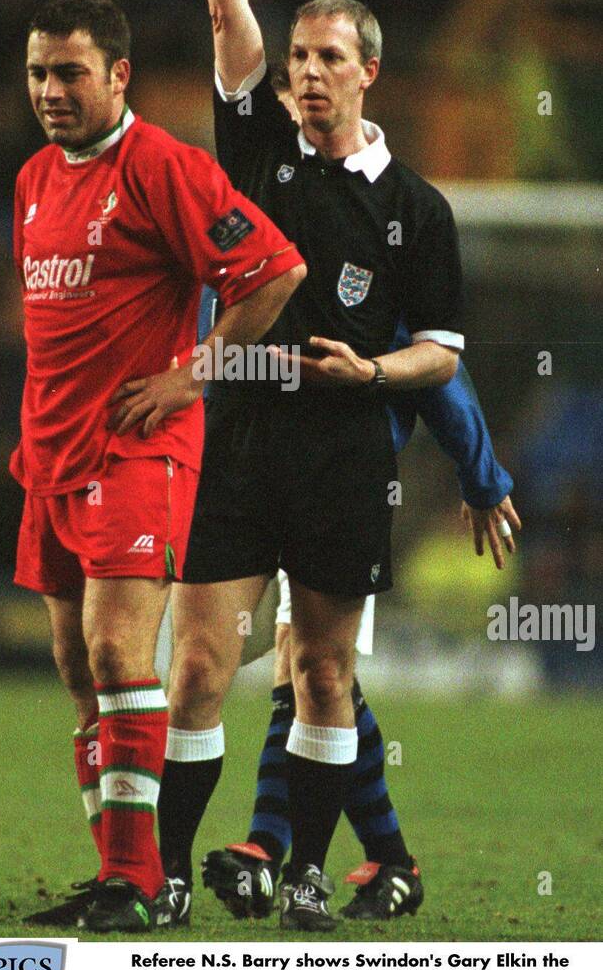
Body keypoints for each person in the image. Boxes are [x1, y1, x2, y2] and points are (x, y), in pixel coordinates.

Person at [157, 0, 465, 932]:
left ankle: (300, 873)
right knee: (197, 667)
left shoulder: (418, 208)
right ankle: (170, 874)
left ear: (370, 71)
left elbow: (444, 352)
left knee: (322, 678)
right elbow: (225, 8)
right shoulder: (262, 147)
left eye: (329, 58)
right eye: (298, 59)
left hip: (344, 448)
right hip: (238, 435)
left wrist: (374, 373)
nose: (308, 75)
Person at [11, 0, 305, 933]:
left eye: (70, 73)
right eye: (37, 73)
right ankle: (114, 872)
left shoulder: (164, 167)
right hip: (49, 457)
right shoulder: (33, 180)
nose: (51, 91)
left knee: (115, 650)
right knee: (74, 664)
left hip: (138, 448)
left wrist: (192, 379)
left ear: (119, 74)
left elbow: (276, 270)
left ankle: (140, 883)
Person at [183, 275, 520, 925]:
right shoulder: (237, 255)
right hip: (242, 483)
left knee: (310, 669)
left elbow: (438, 366)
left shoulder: (357, 250)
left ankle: (269, 849)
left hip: (342, 484)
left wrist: (482, 478)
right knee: (312, 675)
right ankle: (388, 859)